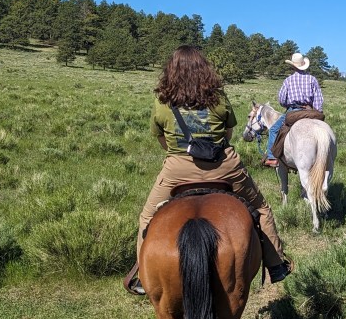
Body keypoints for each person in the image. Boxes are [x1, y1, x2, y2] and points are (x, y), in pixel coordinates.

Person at [127, 45, 292, 295]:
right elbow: (228, 133)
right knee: (261, 209)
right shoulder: (218, 97)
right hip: (224, 165)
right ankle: (276, 263)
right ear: (204, 70)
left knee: (147, 218)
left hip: (178, 167)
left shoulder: (162, 101)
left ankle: (143, 276)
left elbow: (161, 140)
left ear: (171, 71)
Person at [263, 52, 324, 167]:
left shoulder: (288, 80)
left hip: (293, 111)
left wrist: (287, 105)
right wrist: (317, 111)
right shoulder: (312, 79)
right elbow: (319, 100)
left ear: (292, 66)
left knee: (274, 130)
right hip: (310, 112)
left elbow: (282, 99)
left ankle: (271, 158)